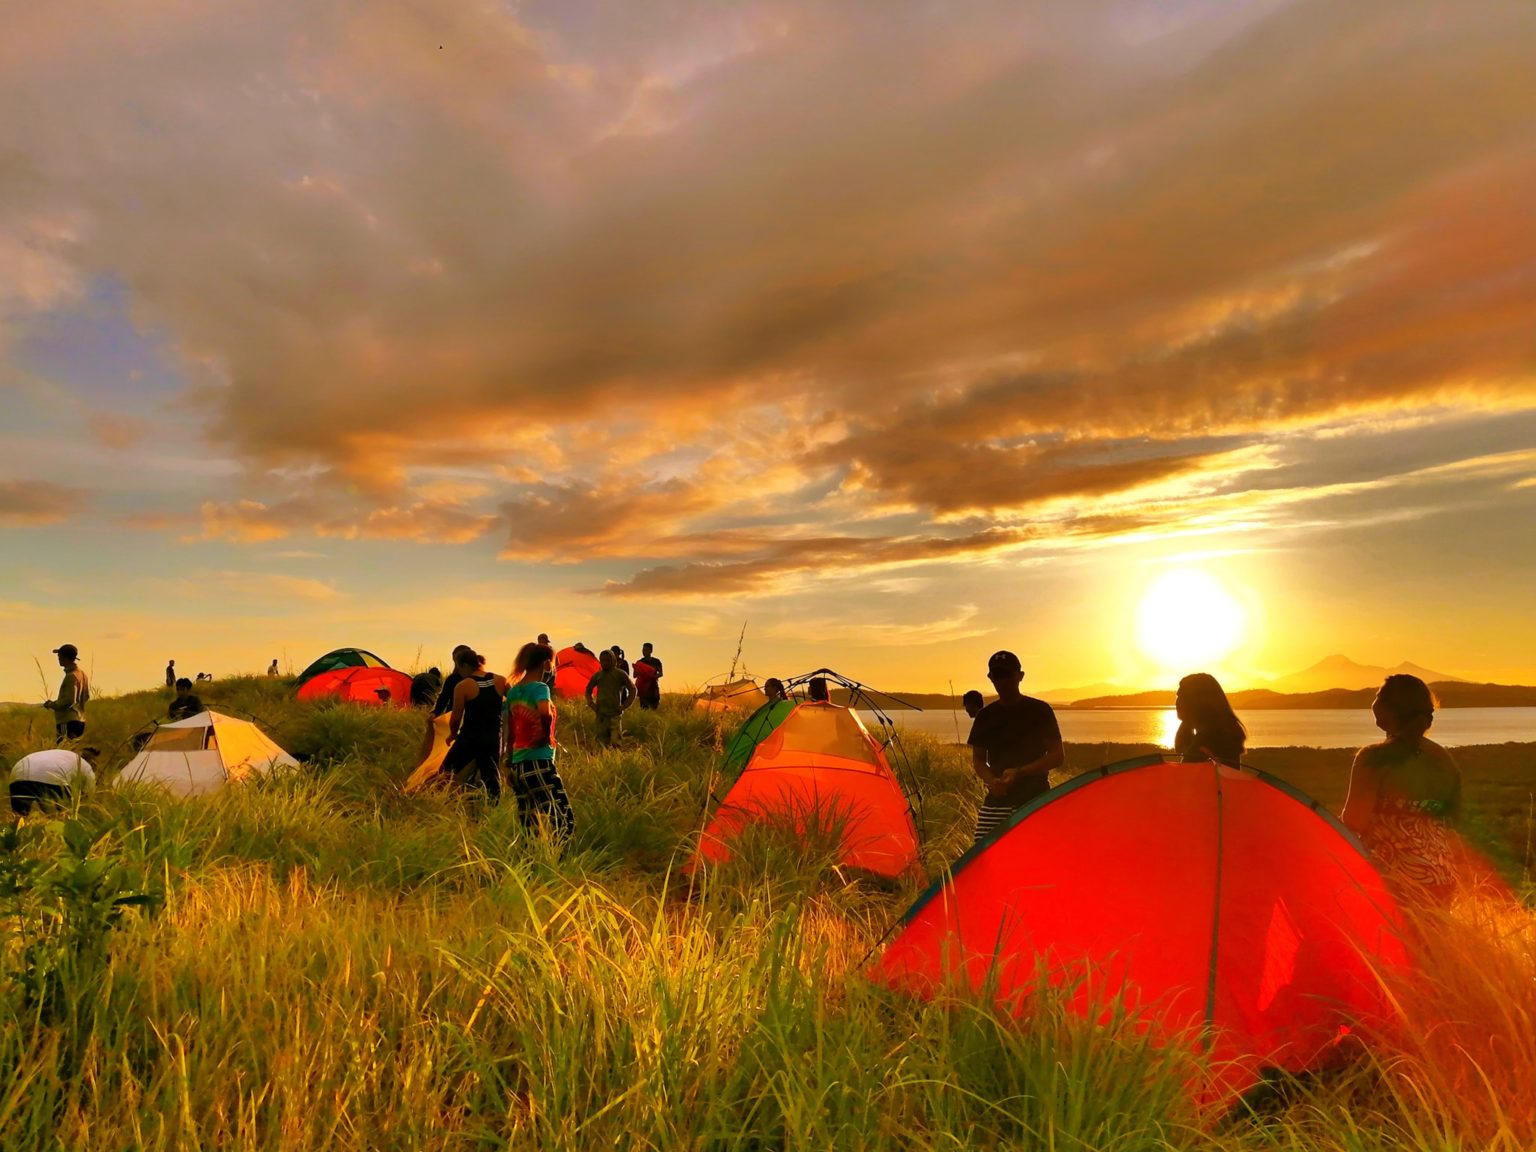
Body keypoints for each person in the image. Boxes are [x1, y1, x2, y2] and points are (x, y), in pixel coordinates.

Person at [1341, 674, 1462, 903]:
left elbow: (1354, 821)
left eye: (1378, 695)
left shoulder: (1373, 758)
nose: (1374, 699)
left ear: (1387, 709)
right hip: (1441, 875)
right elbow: (1453, 819)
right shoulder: (1444, 759)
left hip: (1394, 878)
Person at [967, 650, 1063, 844]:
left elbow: (1057, 756)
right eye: (996, 676)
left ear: (1020, 676)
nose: (1002, 681)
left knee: (1035, 857)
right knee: (983, 858)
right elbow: (978, 759)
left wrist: (1019, 772)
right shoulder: (986, 716)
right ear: (990, 677)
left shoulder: (1039, 711)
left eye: (1007, 675)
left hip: (1034, 799)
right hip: (997, 801)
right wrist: (992, 781)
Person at [503, 642, 574, 841]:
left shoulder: (513, 692)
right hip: (539, 763)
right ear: (545, 664)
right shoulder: (540, 688)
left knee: (529, 825)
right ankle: (557, 862)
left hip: (518, 765)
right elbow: (545, 713)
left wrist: (509, 762)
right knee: (563, 821)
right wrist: (546, 736)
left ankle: (531, 863)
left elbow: (510, 733)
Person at [442, 650, 507, 800]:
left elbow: (456, 717)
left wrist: (453, 734)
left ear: (464, 665)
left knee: (446, 771)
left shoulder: (463, 686)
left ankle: (443, 803)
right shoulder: (501, 680)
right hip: (493, 737)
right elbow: (515, 703)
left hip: (470, 737)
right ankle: (494, 811)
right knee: (491, 778)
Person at [1171, 673, 1246, 767]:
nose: (1177, 703)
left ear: (1197, 702)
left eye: (1182, 697)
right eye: (1177, 696)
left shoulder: (1209, 744)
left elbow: (1188, 775)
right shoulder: (1221, 734)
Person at [10, 746, 97, 815]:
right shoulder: (86, 766)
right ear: (92, 761)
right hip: (50, 776)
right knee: (56, 817)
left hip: (19, 771)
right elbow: (88, 798)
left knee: (19, 818)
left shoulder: (64, 755)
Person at [42, 644, 90, 743]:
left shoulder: (71, 676)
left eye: (60, 657)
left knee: (63, 752)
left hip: (67, 722)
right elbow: (86, 696)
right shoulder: (82, 674)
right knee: (74, 752)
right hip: (80, 720)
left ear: (66, 658)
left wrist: (51, 704)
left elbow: (68, 701)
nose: (58, 659)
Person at [585, 649, 634, 746]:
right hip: (601, 714)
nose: (605, 663)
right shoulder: (598, 675)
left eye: (607, 660)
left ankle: (616, 759)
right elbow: (588, 690)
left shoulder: (620, 674)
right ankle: (603, 759)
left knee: (616, 742)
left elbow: (633, 690)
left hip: (615, 713)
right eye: (602, 660)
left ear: (613, 661)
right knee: (601, 743)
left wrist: (624, 706)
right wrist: (592, 704)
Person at [633, 642, 664, 710]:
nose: (644, 652)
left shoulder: (656, 661)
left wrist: (652, 676)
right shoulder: (640, 662)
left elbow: (661, 673)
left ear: (651, 651)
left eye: (646, 650)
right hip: (643, 689)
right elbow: (634, 675)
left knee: (654, 708)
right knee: (644, 708)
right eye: (643, 650)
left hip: (653, 688)